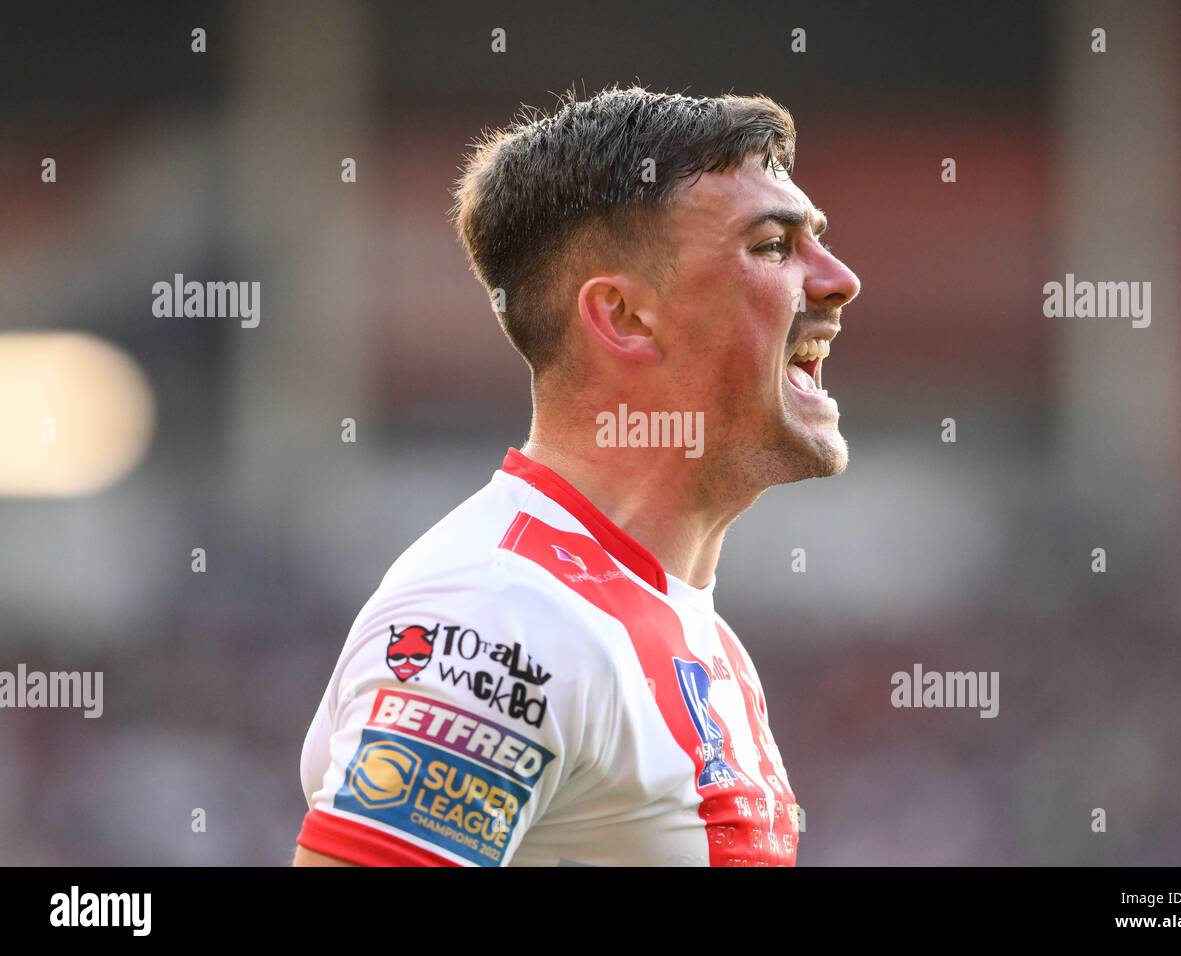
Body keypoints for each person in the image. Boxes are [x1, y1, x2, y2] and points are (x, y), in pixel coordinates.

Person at [294, 85, 860, 866]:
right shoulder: (500, 618)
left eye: (816, 241)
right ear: (623, 317)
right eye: (771, 246)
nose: (838, 280)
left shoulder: (693, 630)